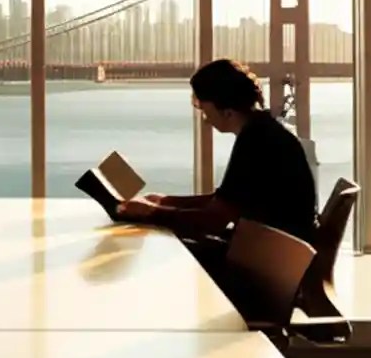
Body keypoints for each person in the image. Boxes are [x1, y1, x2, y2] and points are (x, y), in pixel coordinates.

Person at [117, 59, 318, 244]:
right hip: (283, 250)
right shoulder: (263, 131)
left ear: (227, 111)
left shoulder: (255, 141)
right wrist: (164, 200)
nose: (205, 119)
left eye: (205, 110)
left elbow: (213, 221)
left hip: (273, 259)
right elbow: (225, 201)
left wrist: (152, 213)